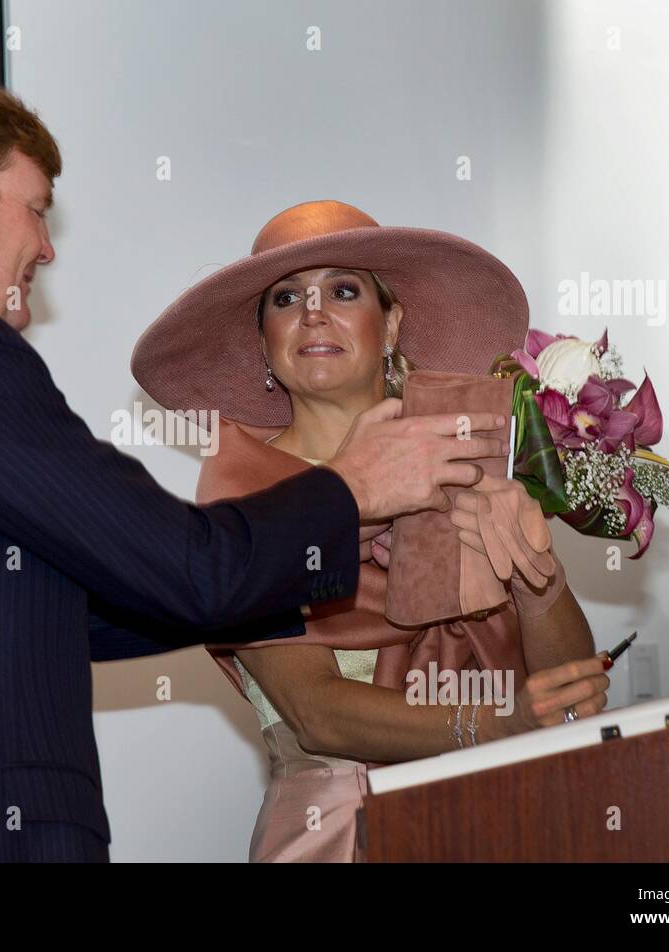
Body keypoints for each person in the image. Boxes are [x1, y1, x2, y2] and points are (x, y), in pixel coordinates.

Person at [0, 70, 512, 863]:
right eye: (34, 208)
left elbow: (55, 605)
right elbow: (179, 565)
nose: (45, 244)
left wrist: (292, 572)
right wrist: (352, 489)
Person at [132, 200, 610, 862]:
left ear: (390, 326)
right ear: (265, 346)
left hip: (511, 817)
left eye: (343, 290)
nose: (313, 313)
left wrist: (536, 576)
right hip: (341, 835)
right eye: (286, 298)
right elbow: (316, 714)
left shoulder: (467, 453)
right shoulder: (246, 501)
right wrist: (502, 721)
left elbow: (572, 689)